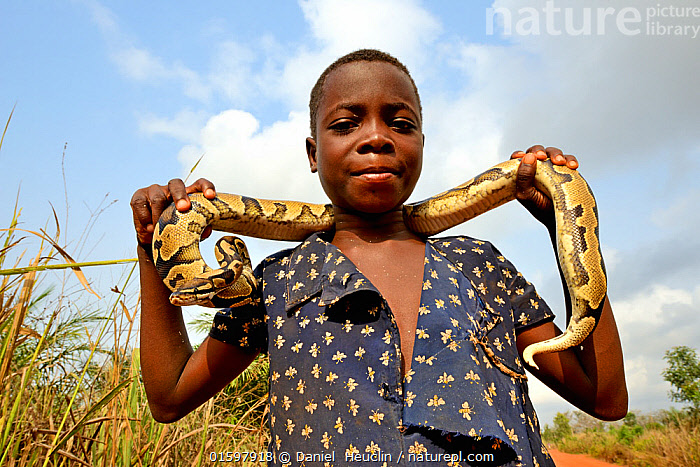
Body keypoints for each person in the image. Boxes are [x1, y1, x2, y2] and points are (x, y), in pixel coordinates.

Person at [131, 49, 627, 466]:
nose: (377, 137)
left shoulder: (479, 266)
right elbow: (171, 397)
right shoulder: (279, 282)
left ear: (421, 145)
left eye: (401, 123)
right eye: (347, 124)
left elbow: (604, 399)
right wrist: (155, 245)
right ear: (312, 152)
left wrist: (566, 224)